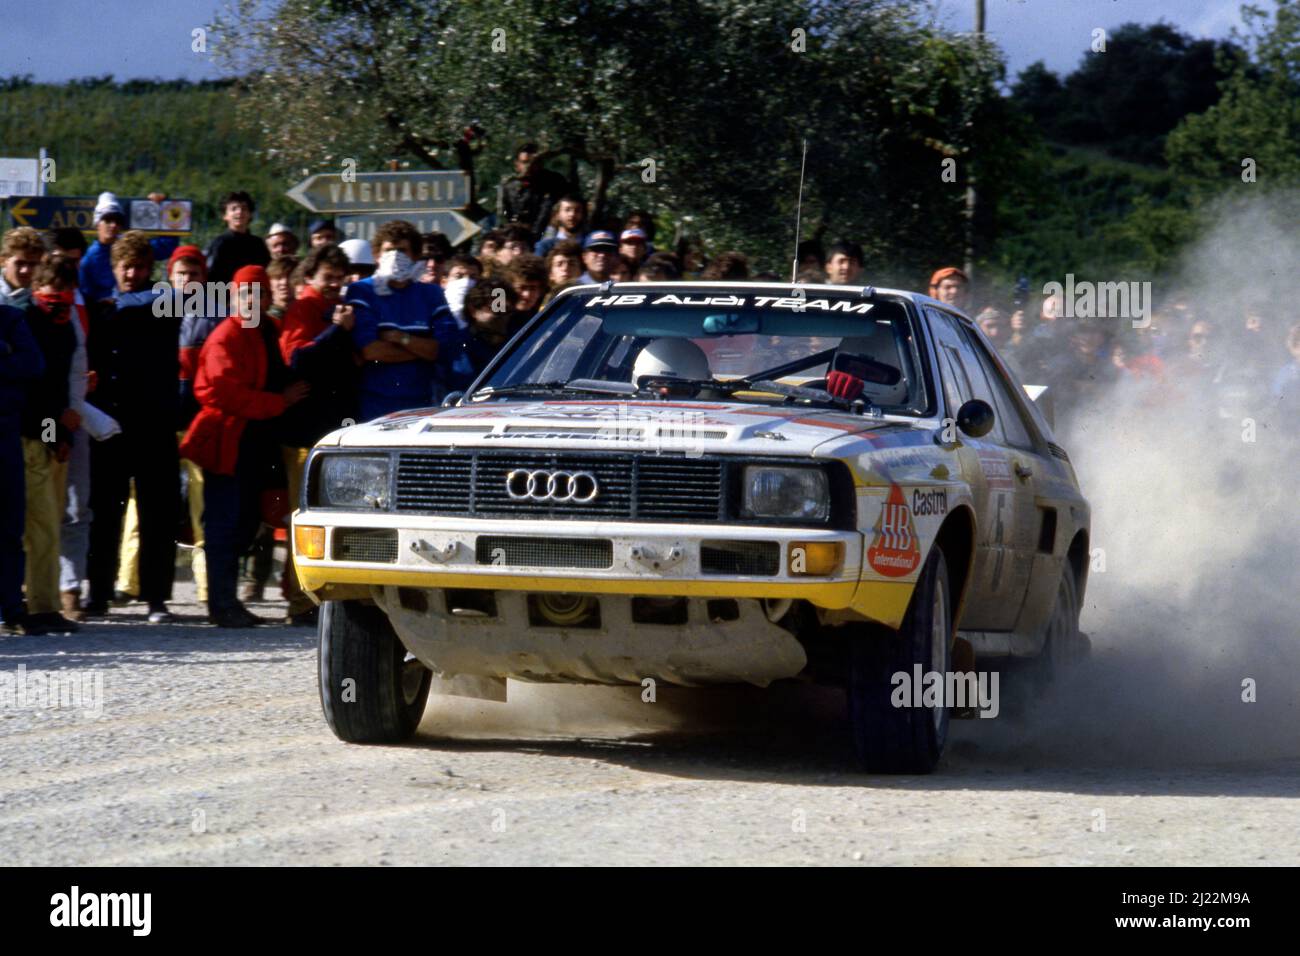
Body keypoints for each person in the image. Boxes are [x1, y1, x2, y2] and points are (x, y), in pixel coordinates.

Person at [182, 266, 307, 628]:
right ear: (235, 298)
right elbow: (219, 392)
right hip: (228, 441)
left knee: (245, 522)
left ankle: (228, 601)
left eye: (260, 294)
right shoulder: (227, 336)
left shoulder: (264, 329)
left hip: (251, 442)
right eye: (246, 293)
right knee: (226, 523)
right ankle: (222, 605)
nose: (253, 300)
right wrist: (278, 402)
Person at [84, 232, 180, 623]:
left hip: (155, 425)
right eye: (125, 266)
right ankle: (98, 594)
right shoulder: (99, 311)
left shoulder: (163, 305)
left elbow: (176, 299)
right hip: (111, 426)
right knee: (105, 512)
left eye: (140, 266)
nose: (132, 272)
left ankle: (157, 598)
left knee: (160, 514)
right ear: (113, 267)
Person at [278, 244, 359, 625]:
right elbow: (298, 358)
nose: (334, 285)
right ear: (309, 278)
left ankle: (306, 595)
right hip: (304, 434)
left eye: (339, 279)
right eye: (328, 278)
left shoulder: (330, 309)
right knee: (303, 515)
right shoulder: (305, 309)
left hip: (323, 430)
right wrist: (336, 331)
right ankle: (299, 602)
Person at [20, 257, 82, 634]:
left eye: (65, 296)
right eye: (51, 296)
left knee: (46, 523)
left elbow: (58, 388)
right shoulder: (25, 321)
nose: (59, 303)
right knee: (37, 524)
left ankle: (42, 604)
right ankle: (32, 605)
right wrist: (55, 434)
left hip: (46, 435)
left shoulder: (65, 327)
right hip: (27, 434)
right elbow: (35, 392)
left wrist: (61, 436)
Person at [344, 221, 457, 418]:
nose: (395, 256)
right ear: (377, 255)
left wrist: (399, 338)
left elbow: (442, 350)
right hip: (374, 402)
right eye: (388, 250)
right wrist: (420, 349)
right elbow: (370, 350)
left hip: (422, 402)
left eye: (402, 250)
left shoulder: (431, 294)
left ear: (414, 255)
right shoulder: (362, 291)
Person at [173, 245, 220, 606]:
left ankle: (206, 588)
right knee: (142, 507)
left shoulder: (217, 317)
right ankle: (131, 584)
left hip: (200, 423)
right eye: (182, 274)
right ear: (170, 276)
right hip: (162, 421)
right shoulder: (153, 313)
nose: (188, 281)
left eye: (195, 274)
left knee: (203, 508)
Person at [0, 299, 45, 635]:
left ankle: (12, 607)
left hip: (5, 434)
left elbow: (32, 364)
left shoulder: (10, 318)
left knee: (9, 524)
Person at [77, 192, 177, 306]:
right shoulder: (88, 260)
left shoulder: (133, 248)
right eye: (108, 220)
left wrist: (165, 207)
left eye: (117, 220)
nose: (113, 225)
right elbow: (85, 299)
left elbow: (167, 246)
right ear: (97, 223)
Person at [501, 142, 570, 237]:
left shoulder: (555, 181)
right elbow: (506, 214)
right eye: (524, 162)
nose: (528, 167)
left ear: (540, 164)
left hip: (549, 233)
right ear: (517, 164)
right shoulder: (510, 186)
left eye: (533, 163)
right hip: (519, 235)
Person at [206, 190, 270, 284]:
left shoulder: (258, 244)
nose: (239, 212)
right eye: (234, 209)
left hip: (254, 295)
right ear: (225, 215)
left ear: (250, 214)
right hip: (224, 295)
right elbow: (211, 276)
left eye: (244, 208)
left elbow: (266, 272)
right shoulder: (220, 243)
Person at [0, 226, 46, 309]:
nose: (25, 270)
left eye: (32, 264)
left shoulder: (42, 304)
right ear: (3, 261)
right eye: (19, 263)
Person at [503, 255, 547, 323]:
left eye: (533, 288)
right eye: (521, 287)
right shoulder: (497, 316)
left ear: (540, 290)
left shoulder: (547, 316)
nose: (527, 294)